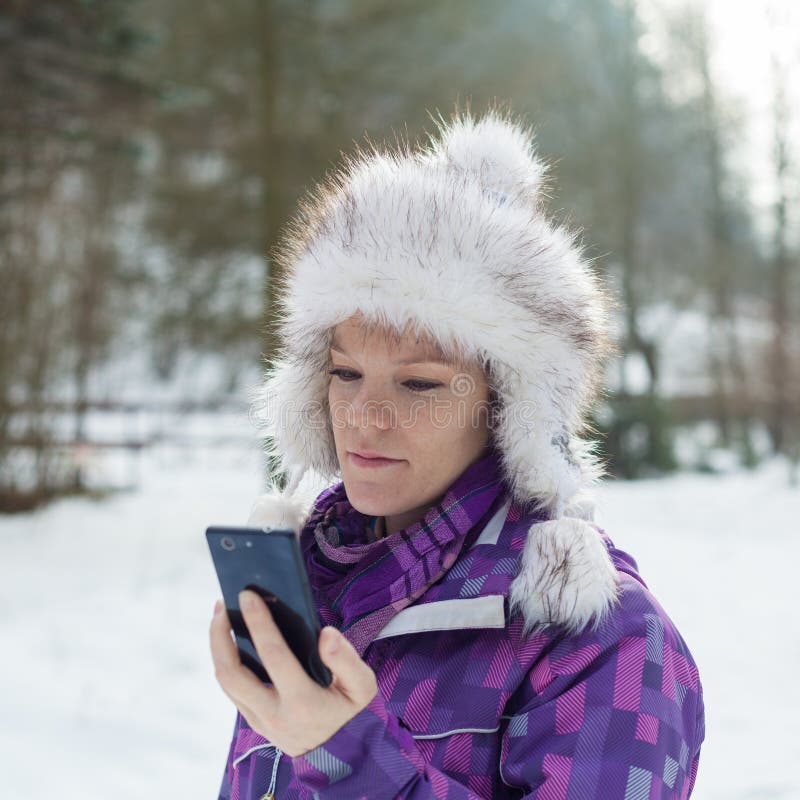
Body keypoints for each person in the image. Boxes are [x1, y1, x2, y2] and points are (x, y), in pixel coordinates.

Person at [209, 108, 705, 799]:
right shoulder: (313, 589)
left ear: (504, 406)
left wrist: (347, 761)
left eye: (419, 383)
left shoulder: (604, 642)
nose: (365, 416)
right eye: (345, 373)